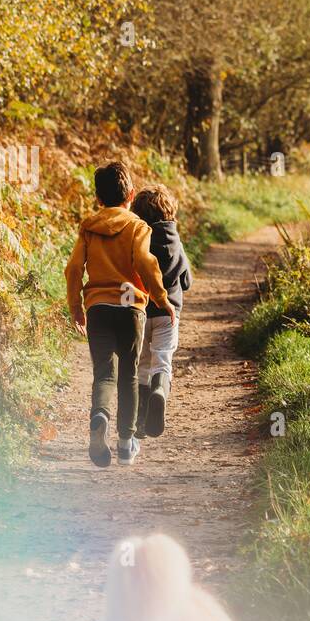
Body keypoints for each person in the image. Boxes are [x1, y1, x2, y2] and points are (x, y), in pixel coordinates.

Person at [63, 162, 175, 467]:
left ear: (98, 198)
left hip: (98, 307)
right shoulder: (138, 226)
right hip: (130, 308)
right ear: (131, 194)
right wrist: (162, 299)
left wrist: (76, 306)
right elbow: (144, 262)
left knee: (104, 373)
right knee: (128, 373)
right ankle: (126, 445)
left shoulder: (88, 226)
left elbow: (73, 268)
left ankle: (99, 417)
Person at [131, 184, 192, 438]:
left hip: (142, 310)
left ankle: (141, 419)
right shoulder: (175, 240)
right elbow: (187, 280)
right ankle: (160, 391)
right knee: (162, 359)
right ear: (169, 212)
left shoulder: (138, 239)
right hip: (169, 313)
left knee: (142, 363)